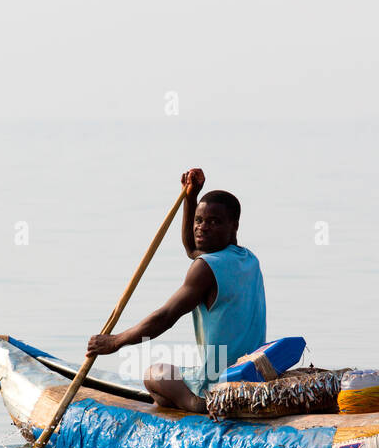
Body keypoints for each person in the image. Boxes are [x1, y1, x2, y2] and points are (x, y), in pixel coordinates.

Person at [86, 169, 267, 412]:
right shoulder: (248, 259)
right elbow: (193, 248)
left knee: (154, 374)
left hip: (219, 385)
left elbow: (166, 317)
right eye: (199, 221)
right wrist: (190, 198)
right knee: (165, 392)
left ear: (234, 226)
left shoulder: (205, 268)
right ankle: (184, 401)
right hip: (251, 381)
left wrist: (115, 341)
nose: (202, 228)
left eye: (214, 222)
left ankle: (198, 404)